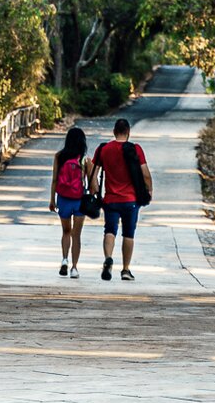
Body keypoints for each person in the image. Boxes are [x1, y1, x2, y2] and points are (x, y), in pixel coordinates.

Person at [92, 118, 152, 282]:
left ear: (114, 131)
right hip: (131, 200)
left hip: (111, 199)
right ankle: (125, 269)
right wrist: (149, 191)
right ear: (128, 132)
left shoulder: (103, 149)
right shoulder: (135, 149)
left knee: (109, 230)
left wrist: (96, 190)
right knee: (128, 234)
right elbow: (145, 173)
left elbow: (93, 173)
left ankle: (108, 258)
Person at [49, 126, 91, 278]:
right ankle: (74, 268)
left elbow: (54, 180)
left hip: (63, 199)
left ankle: (64, 259)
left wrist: (52, 200)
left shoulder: (59, 156)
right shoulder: (84, 160)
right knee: (76, 235)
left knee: (66, 232)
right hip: (79, 200)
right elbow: (88, 183)